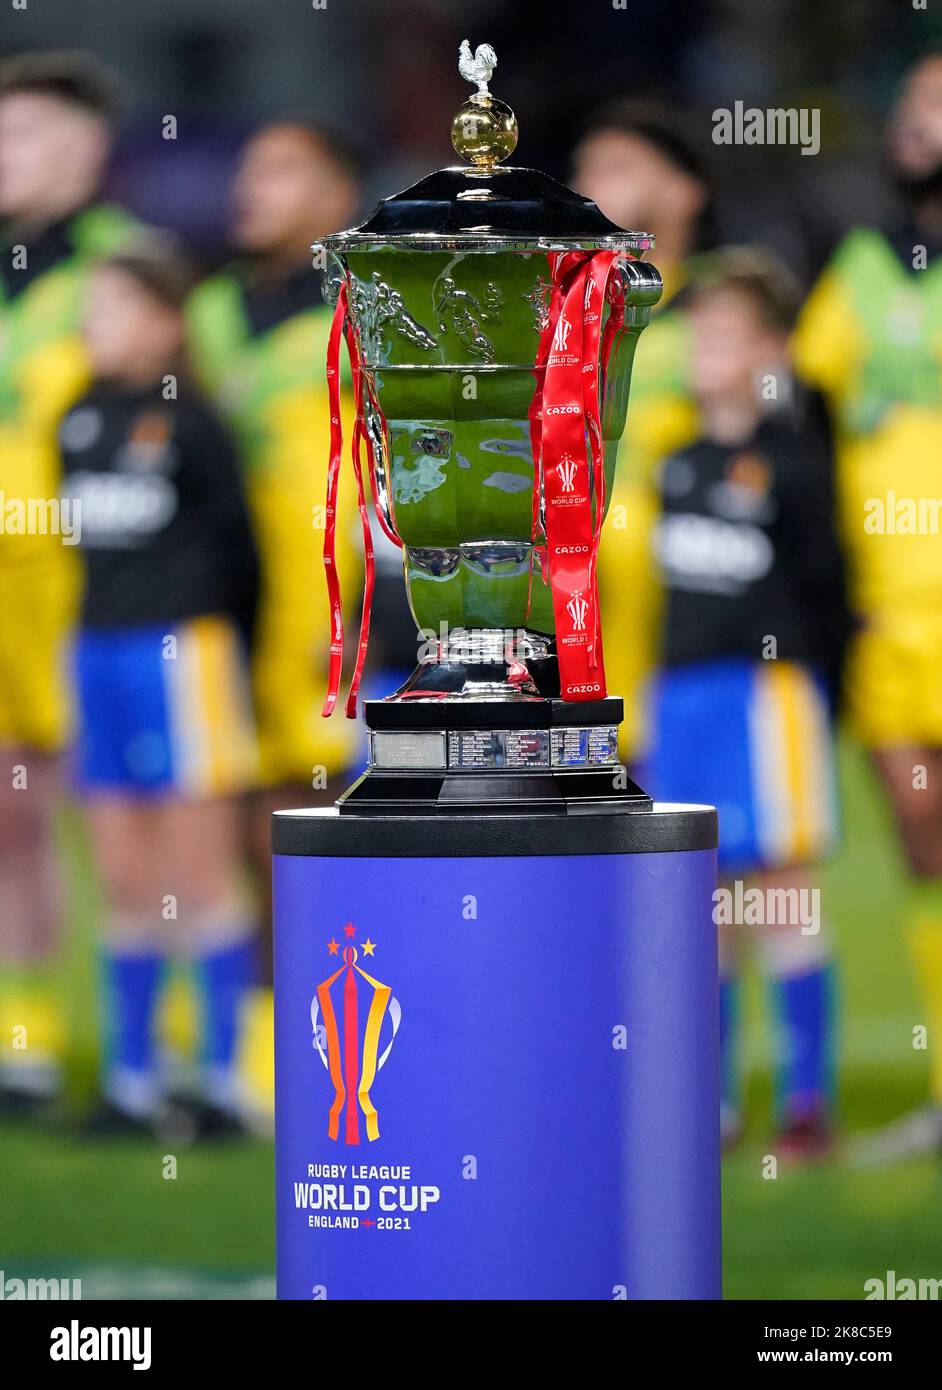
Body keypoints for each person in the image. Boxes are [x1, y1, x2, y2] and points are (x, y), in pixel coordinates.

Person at [641, 250, 851, 1156]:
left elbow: (829, 591)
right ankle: (714, 1105)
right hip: (682, 697)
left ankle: (808, 1106)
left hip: (766, 698)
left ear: (772, 349)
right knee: (701, 901)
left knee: (780, 897)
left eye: (726, 335)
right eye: (698, 334)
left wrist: (816, 700)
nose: (702, 351)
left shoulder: (797, 463)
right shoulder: (676, 462)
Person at [60, 245, 260, 1135]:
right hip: (95, 653)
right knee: (124, 875)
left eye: (111, 306)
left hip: (184, 656)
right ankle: (132, 1083)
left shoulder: (196, 423)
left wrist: (235, 658)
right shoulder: (75, 415)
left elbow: (242, 554)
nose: (90, 325)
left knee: (201, 870)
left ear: (165, 321)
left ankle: (223, 1085)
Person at [188, 114, 365, 1114]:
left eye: (283, 171)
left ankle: (345, 1059)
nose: (251, 188)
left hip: (328, 615)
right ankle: (246, 1058)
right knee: (240, 838)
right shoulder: (210, 314)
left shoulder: (364, 304)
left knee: (317, 837)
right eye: (247, 170)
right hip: (230, 605)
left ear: (336, 196)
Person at [793, 53, 942, 1160]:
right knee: (923, 849)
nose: (912, 122)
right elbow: (806, 431)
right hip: (893, 624)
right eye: (908, 104)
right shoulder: (859, 268)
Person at [0, 52, 140, 1112]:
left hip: (95, 576)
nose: (7, 156)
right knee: (9, 808)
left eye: (29, 134)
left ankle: (176, 1047)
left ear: (88, 148)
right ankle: (27, 1040)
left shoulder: (127, 271)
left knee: (136, 809)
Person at [571, 100, 713, 762]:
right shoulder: (553, 319)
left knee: (688, 821)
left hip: (686, 601)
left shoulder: (722, 314)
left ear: (685, 193)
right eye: (586, 169)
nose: (593, 183)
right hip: (572, 583)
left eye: (620, 167)